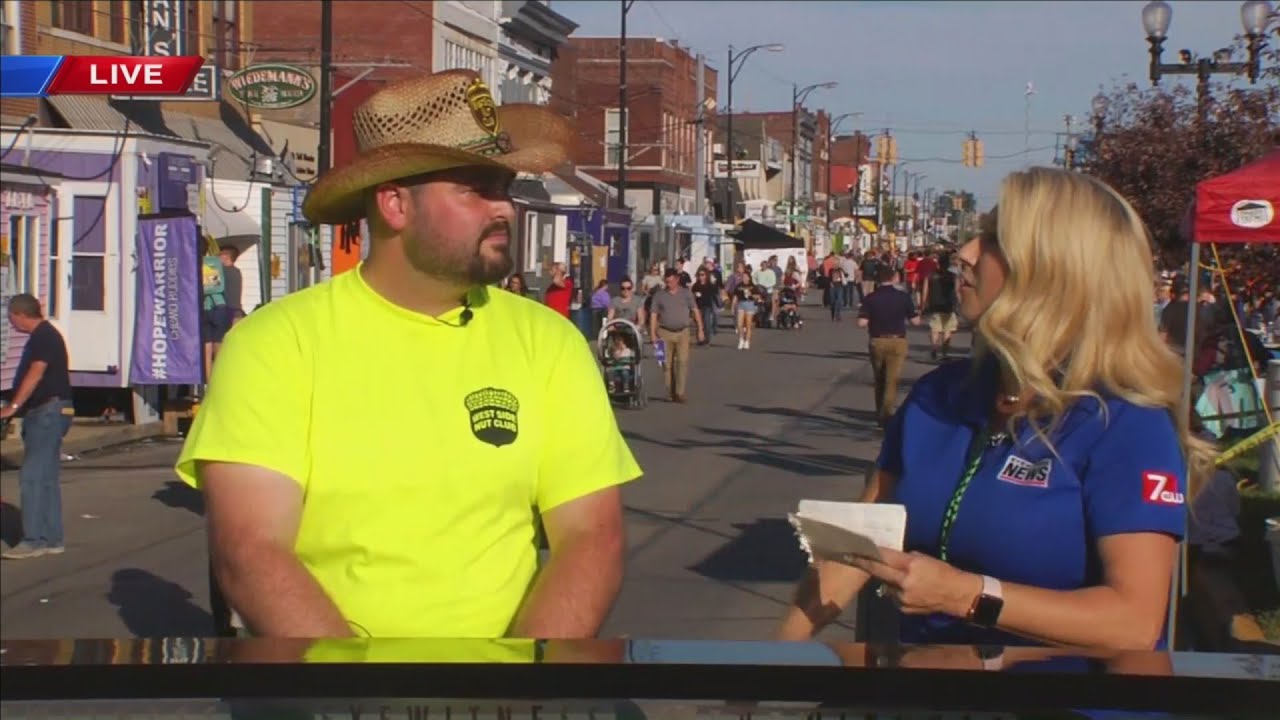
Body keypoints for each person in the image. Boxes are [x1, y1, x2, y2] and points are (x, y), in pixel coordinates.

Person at [175, 69, 642, 639]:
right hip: (323, 697)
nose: (505, 209)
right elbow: (250, 553)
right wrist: (361, 694)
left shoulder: (549, 343)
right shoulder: (277, 345)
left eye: (504, 188)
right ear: (395, 204)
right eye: (475, 189)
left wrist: (515, 688)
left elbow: (592, 539)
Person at [778, 167, 1214, 651]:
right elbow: (852, 548)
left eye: (993, 241)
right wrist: (763, 673)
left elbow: (1132, 622)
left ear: (1052, 274)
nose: (964, 254)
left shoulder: (1126, 423)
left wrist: (969, 596)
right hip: (925, 692)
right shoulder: (937, 396)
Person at [1, 294, 74, 559]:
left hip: (47, 411)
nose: (10, 322)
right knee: (46, 478)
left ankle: (33, 540)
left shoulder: (43, 336)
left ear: (20, 314)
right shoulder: (46, 335)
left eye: (11, 316)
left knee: (32, 477)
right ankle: (52, 538)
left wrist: (14, 406)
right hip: (52, 410)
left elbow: (36, 372)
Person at [858, 266, 921, 426]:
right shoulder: (903, 297)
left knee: (879, 378)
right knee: (891, 380)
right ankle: (886, 415)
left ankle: (879, 411)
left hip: (877, 340)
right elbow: (915, 321)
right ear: (893, 278)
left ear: (878, 280)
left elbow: (862, 322)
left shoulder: (871, 298)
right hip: (898, 340)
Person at [648, 267, 704, 403]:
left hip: (683, 332)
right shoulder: (659, 295)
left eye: (671, 282)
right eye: (667, 282)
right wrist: (653, 334)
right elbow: (653, 315)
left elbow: (695, 310)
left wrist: (700, 329)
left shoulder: (686, 294)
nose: (669, 285)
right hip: (664, 333)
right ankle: (670, 391)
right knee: (665, 364)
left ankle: (680, 392)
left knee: (682, 362)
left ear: (677, 280)